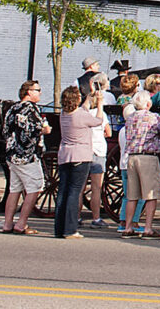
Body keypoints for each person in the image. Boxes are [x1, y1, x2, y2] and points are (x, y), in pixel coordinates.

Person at [0, 80, 51, 235]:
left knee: (14, 189)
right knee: (35, 187)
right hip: (28, 156)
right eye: (38, 90)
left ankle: (7, 223)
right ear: (29, 92)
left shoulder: (12, 108)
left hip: (12, 155)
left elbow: (5, 130)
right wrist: (46, 129)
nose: (40, 93)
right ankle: (21, 223)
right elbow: (40, 129)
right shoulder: (32, 109)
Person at [54, 85, 102, 239]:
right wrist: (100, 103)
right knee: (75, 191)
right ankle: (70, 229)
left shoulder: (64, 114)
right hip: (80, 155)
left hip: (65, 155)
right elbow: (98, 120)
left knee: (63, 191)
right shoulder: (81, 115)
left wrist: (89, 97)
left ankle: (59, 228)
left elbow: (84, 108)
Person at [120, 90, 160, 237]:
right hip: (148, 156)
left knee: (132, 195)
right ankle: (148, 228)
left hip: (132, 156)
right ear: (148, 103)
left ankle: (128, 227)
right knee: (150, 194)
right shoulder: (154, 117)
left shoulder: (130, 118)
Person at [80, 72, 114, 228]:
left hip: (85, 150)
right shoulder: (101, 115)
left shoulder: (84, 114)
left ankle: (77, 216)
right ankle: (96, 218)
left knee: (80, 188)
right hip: (98, 150)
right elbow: (109, 132)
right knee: (96, 188)